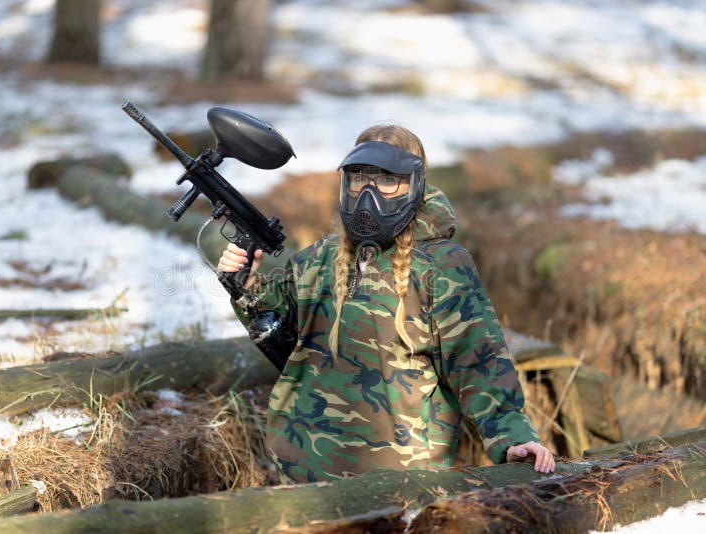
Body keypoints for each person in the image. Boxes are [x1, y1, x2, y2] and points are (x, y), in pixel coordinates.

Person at [218, 124, 555, 483]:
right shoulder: (320, 257)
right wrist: (245, 280)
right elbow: (276, 322)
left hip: (400, 484)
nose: (369, 192)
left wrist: (514, 440)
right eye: (360, 177)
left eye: (387, 179)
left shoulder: (442, 267)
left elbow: (480, 364)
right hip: (303, 470)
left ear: (415, 184)